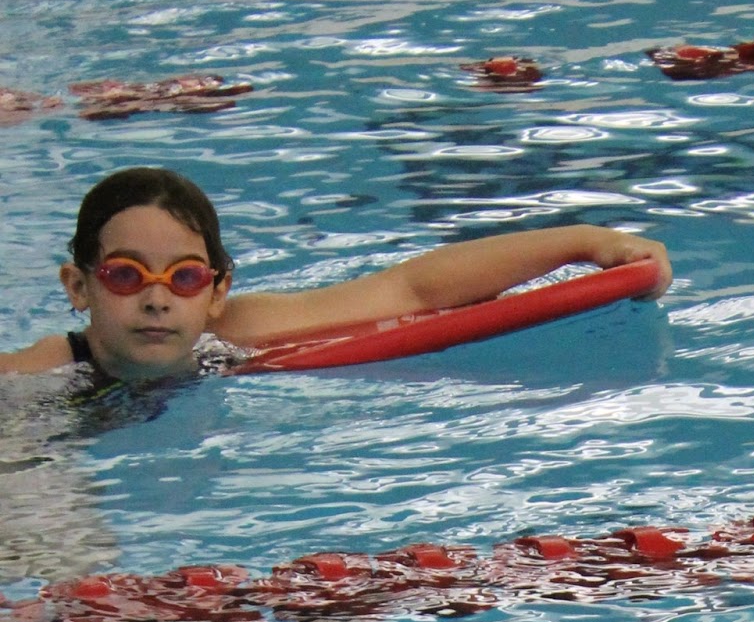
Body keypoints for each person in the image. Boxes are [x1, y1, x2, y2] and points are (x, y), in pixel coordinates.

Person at [0, 166, 672, 384]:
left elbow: (411, 290)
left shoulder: (236, 332)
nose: (156, 300)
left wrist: (586, 243)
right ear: (78, 287)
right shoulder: (45, 374)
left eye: (183, 279)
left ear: (218, 290)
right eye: (125, 276)